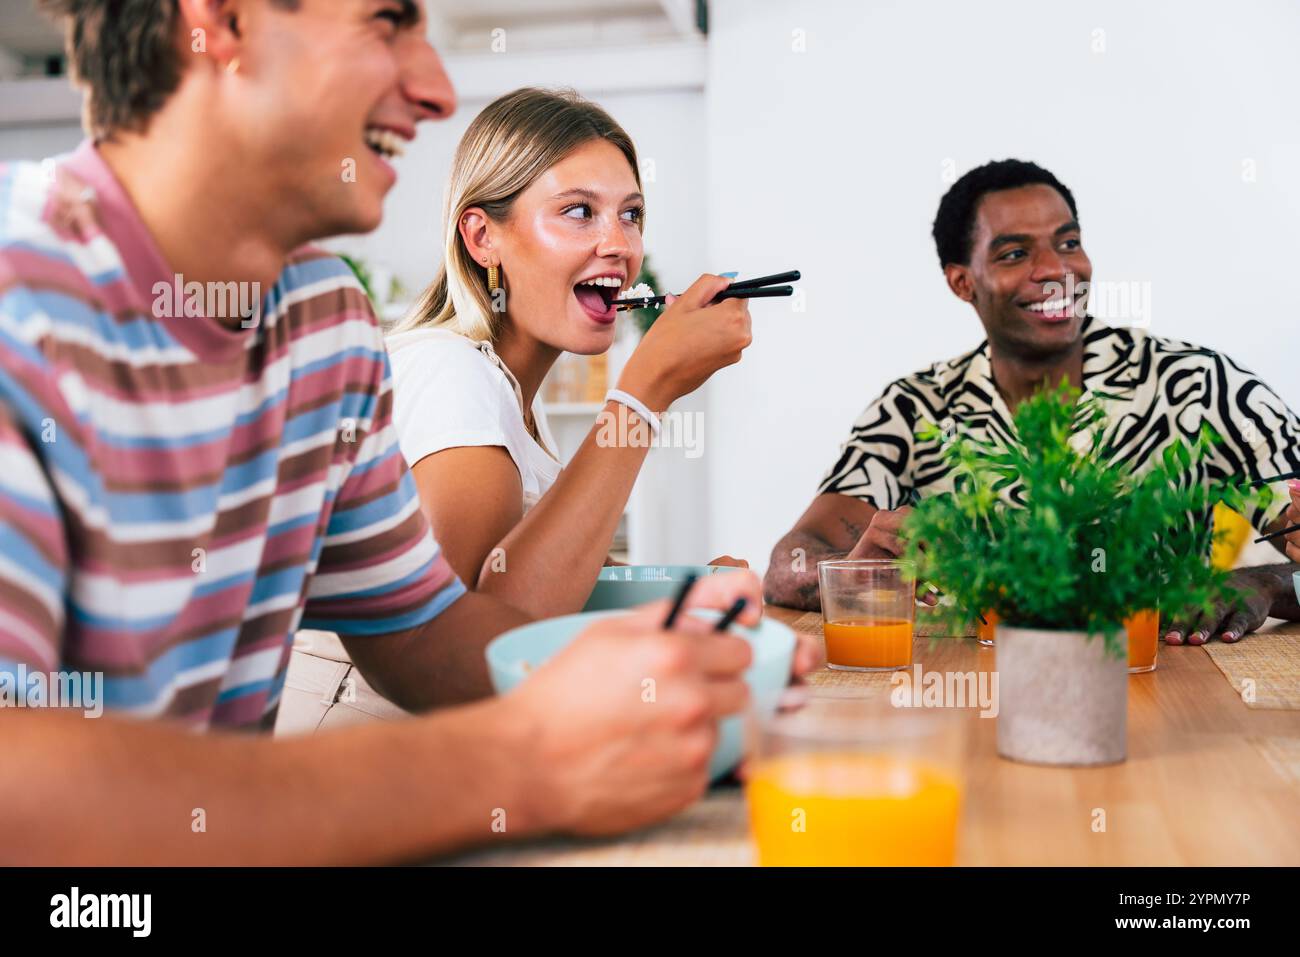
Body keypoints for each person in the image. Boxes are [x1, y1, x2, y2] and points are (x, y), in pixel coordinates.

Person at [0, 0, 783, 865]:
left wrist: (654, 654)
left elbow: (428, 642)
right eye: (387, 21)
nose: (439, 90)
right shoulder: (18, 293)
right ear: (222, 22)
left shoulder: (321, 319)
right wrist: (521, 760)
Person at [764, 159, 1300, 643]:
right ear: (961, 282)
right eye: (1015, 253)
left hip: (1162, 685)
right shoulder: (914, 409)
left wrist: (1269, 581)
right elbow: (788, 567)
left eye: (1068, 243)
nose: (1054, 269)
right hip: (973, 703)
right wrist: (858, 572)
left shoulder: (1200, 386)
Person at [384, 87, 749, 621]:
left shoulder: (520, 409)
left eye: (631, 215)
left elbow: (566, 587)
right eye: (579, 211)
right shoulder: (450, 373)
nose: (620, 245)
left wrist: (691, 598)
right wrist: (643, 394)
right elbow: (472, 641)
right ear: (483, 236)